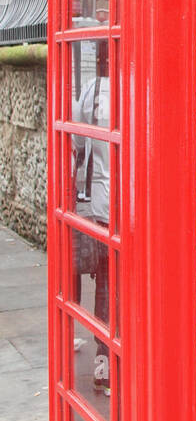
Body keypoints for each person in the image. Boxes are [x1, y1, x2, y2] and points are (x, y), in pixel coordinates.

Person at [72, 69, 110, 393]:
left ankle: (104, 356)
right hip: (131, 205)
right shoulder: (144, 84)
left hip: (103, 207)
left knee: (106, 289)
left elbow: (77, 142)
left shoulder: (92, 90)